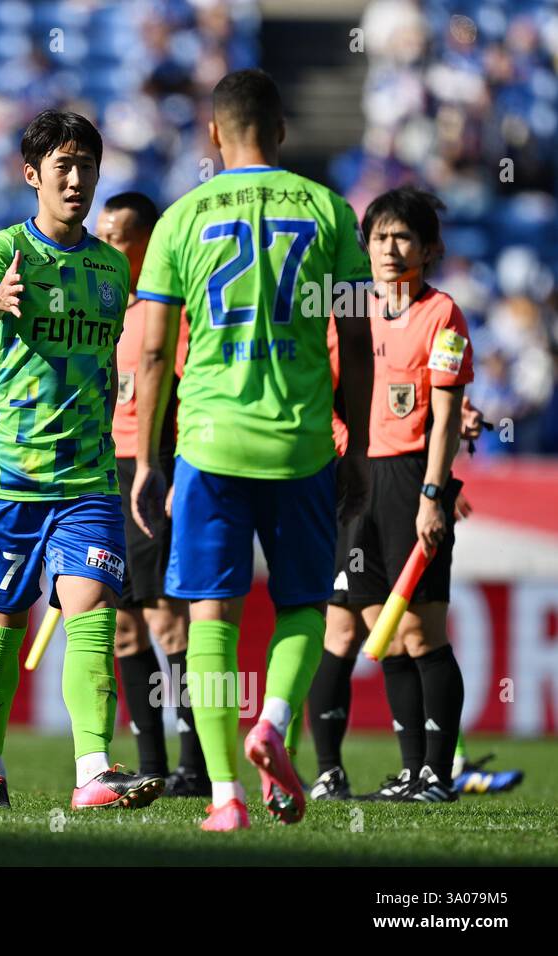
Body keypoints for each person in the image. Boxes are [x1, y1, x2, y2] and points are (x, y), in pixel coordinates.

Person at [131, 69, 375, 830]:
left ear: (213, 134)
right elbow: (361, 341)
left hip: (206, 440)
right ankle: (271, 722)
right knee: (304, 602)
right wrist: (358, 446)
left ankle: (227, 798)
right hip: (301, 441)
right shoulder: (332, 212)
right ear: (280, 131)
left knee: (210, 615)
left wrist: (145, 459)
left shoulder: (180, 217)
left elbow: (150, 353)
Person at [0, 109, 163, 811]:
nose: (76, 180)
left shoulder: (112, 269)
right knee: (3, 625)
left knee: (93, 609)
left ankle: (93, 770)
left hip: (88, 478)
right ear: (32, 175)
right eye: (63, 168)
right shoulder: (5, 248)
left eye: (87, 168)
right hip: (9, 477)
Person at [306, 187, 479, 803]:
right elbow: (319, 389)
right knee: (372, 627)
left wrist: (434, 493)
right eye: (379, 237)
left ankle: (436, 773)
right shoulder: (347, 308)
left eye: (403, 236)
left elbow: (446, 406)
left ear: (428, 249)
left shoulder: (442, 313)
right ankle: (407, 771)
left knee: (422, 630)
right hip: (352, 480)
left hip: (409, 477)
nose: (388, 247)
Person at [98, 192, 209, 798]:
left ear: (147, 241)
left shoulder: (173, 313)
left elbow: (188, 394)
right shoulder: (104, 309)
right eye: (104, 235)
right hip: (102, 474)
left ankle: (194, 763)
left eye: (119, 237)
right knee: (124, 627)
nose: (108, 246)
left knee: (171, 622)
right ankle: (152, 765)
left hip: (156, 469)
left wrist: (178, 475)